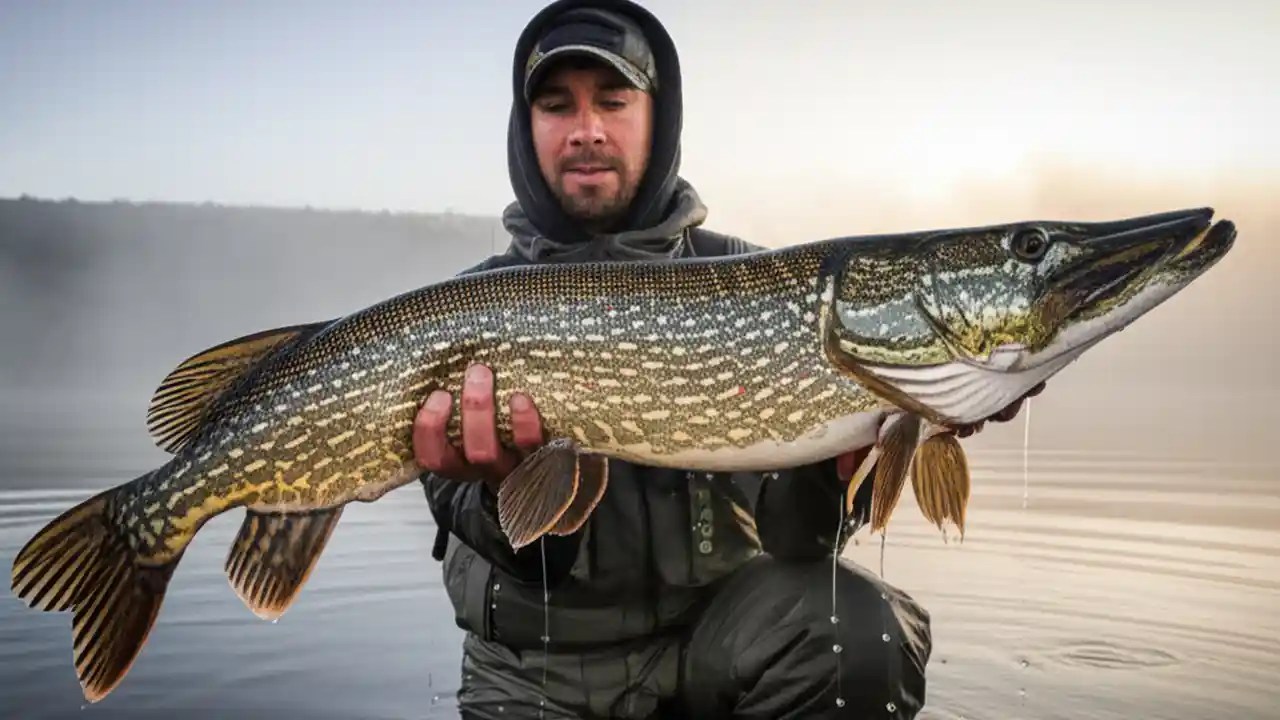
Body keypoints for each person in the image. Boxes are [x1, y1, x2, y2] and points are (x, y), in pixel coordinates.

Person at [413, 1, 1038, 717]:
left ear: (658, 117)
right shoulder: (468, 309)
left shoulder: (758, 283)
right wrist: (501, 493)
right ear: (527, 132)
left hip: (712, 652)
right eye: (558, 107)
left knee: (854, 632)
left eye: (613, 101)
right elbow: (523, 551)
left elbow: (797, 541)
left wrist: (837, 477)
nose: (587, 129)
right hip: (532, 675)